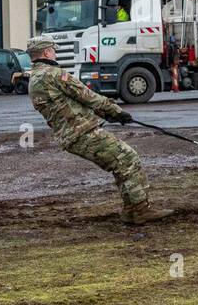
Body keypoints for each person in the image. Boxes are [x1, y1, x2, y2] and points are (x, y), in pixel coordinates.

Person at [25, 37, 171, 225]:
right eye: (53, 50)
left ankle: (132, 210)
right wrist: (116, 112)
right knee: (129, 158)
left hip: (71, 135)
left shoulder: (35, 78)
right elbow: (88, 96)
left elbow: (69, 102)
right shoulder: (54, 74)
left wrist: (106, 114)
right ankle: (140, 210)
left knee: (120, 164)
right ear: (46, 53)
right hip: (81, 132)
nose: (55, 53)